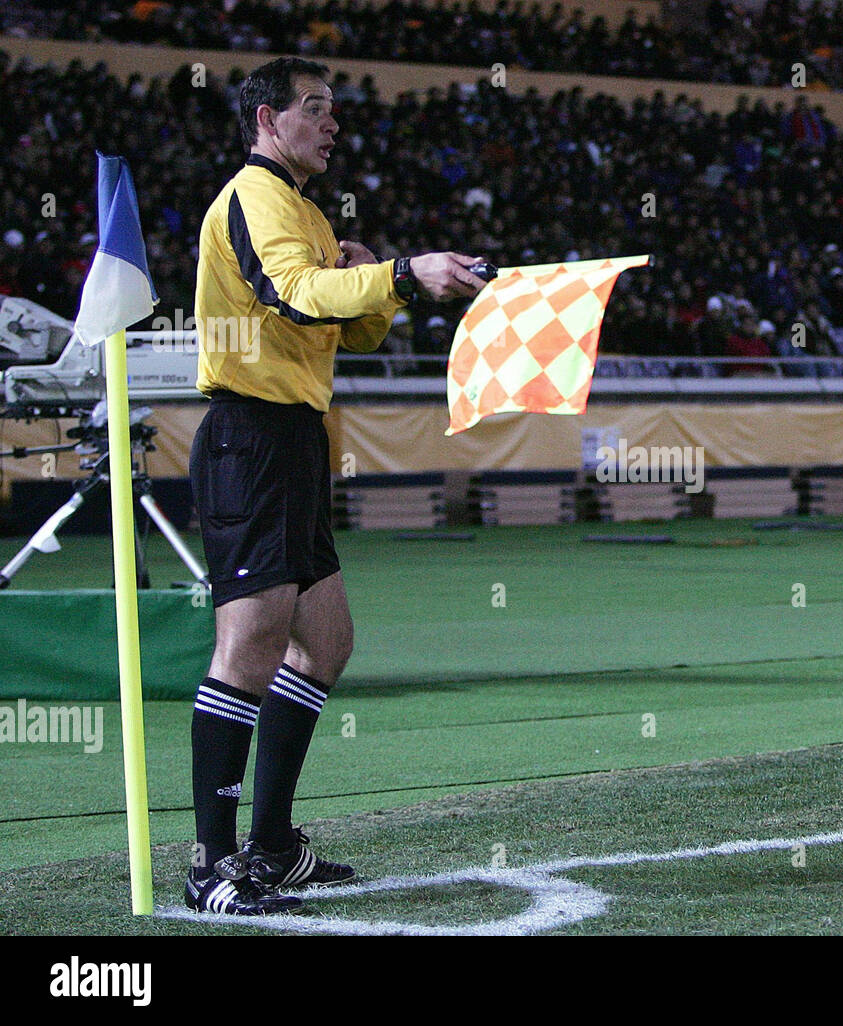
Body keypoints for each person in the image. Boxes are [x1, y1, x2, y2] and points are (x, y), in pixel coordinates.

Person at [186, 56, 489, 915]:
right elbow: (290, 292)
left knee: (325, 644)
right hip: (249, 437)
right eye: (314, 109)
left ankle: (273, 847)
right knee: (249, 646)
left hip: (291, 442)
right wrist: (398, 272)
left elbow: (340, 327)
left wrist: (385, 283)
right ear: (265, 120)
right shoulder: (254, 197)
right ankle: (212, 863)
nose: (332, 124)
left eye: (334, 111)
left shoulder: (307, 212)